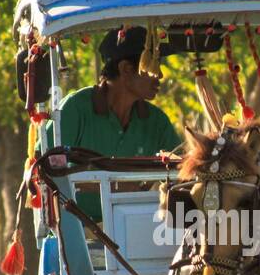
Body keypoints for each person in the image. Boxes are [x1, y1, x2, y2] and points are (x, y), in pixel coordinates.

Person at [44, 25, 182, 218]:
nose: (159, 75)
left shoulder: (157, 121)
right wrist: (113, 184)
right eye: (153, 64)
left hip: (139, 231)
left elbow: (182, 168)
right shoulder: (74, 109)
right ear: (125, 69)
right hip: (78, 232)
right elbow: (46, 167)